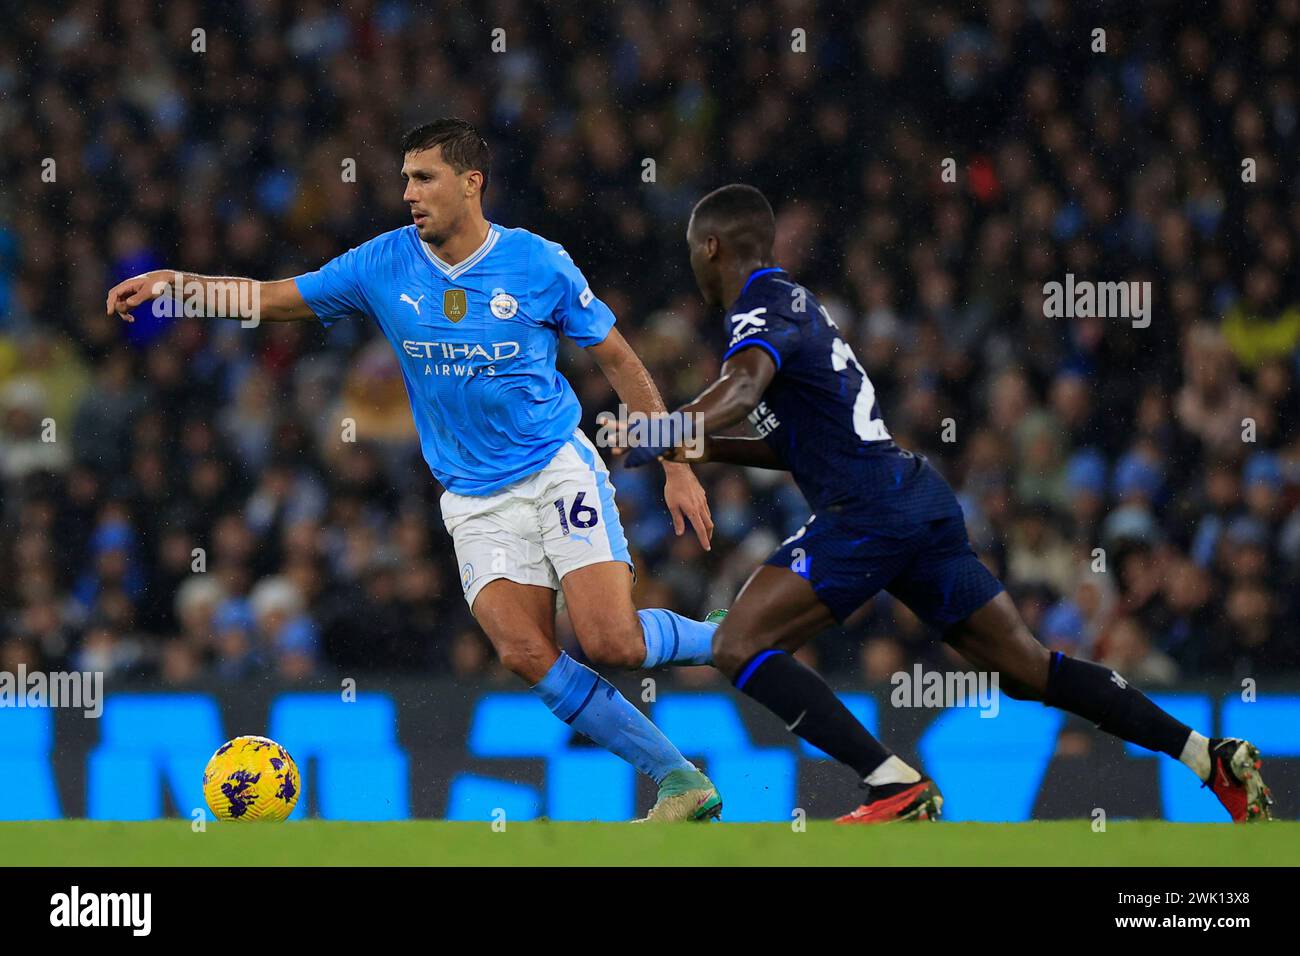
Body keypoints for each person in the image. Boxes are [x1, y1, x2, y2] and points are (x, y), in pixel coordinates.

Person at [106, 118, 725, 822]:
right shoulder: (383, 264)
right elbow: (273, 298)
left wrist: (676, 464)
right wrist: (178, 286)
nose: (408, 193)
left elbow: (617, 357)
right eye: (404, 178)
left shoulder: (537, 263)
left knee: (614, 640)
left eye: (424, 178)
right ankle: (679, 780)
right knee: (526, 653)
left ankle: (736, 637)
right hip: (473, 497)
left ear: (471, 183)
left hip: (555, 469)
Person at [620, 183, 1273, 824]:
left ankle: (890, 784)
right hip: (914, 500)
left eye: (690, 251)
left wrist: (666, 427)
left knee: (738, 641)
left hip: (865, 512)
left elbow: (739, 385)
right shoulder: (796, 306)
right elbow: (795, 445)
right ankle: (1208, 756)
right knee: (1027, 668)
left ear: (711, 247)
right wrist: (696, 444)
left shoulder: (759, 301)